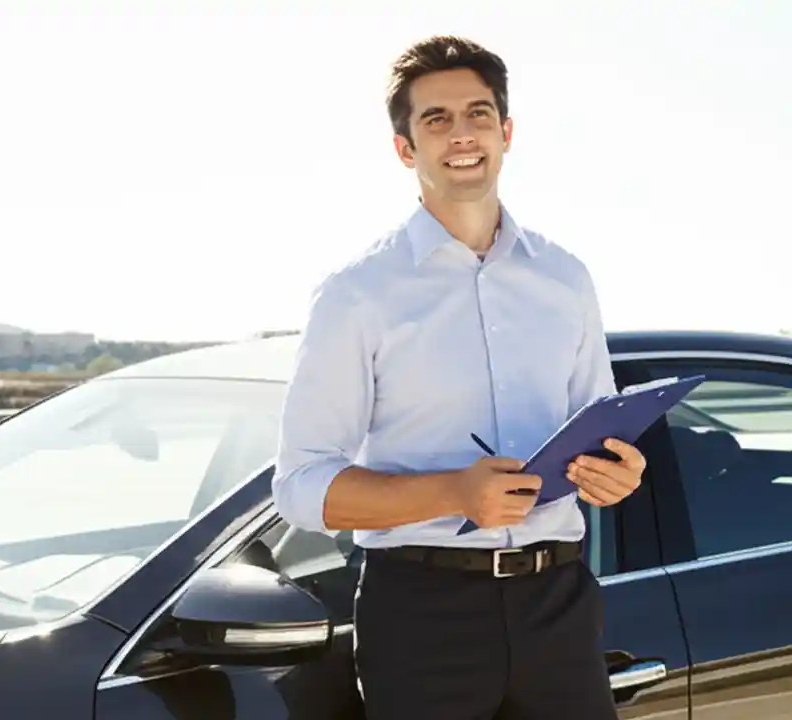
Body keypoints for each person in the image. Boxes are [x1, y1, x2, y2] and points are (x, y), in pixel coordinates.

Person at [272, 35, 646, 719]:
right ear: (405, 148)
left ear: (505, 133)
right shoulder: (357, 296)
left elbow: (597, 429)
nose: (462, 134)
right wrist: (453, 492)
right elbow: (300, 489)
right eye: (435, 120)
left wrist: (615, 475)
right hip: (422, 615)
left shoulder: (566, 280)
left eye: (477, 114)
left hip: (558, 602)